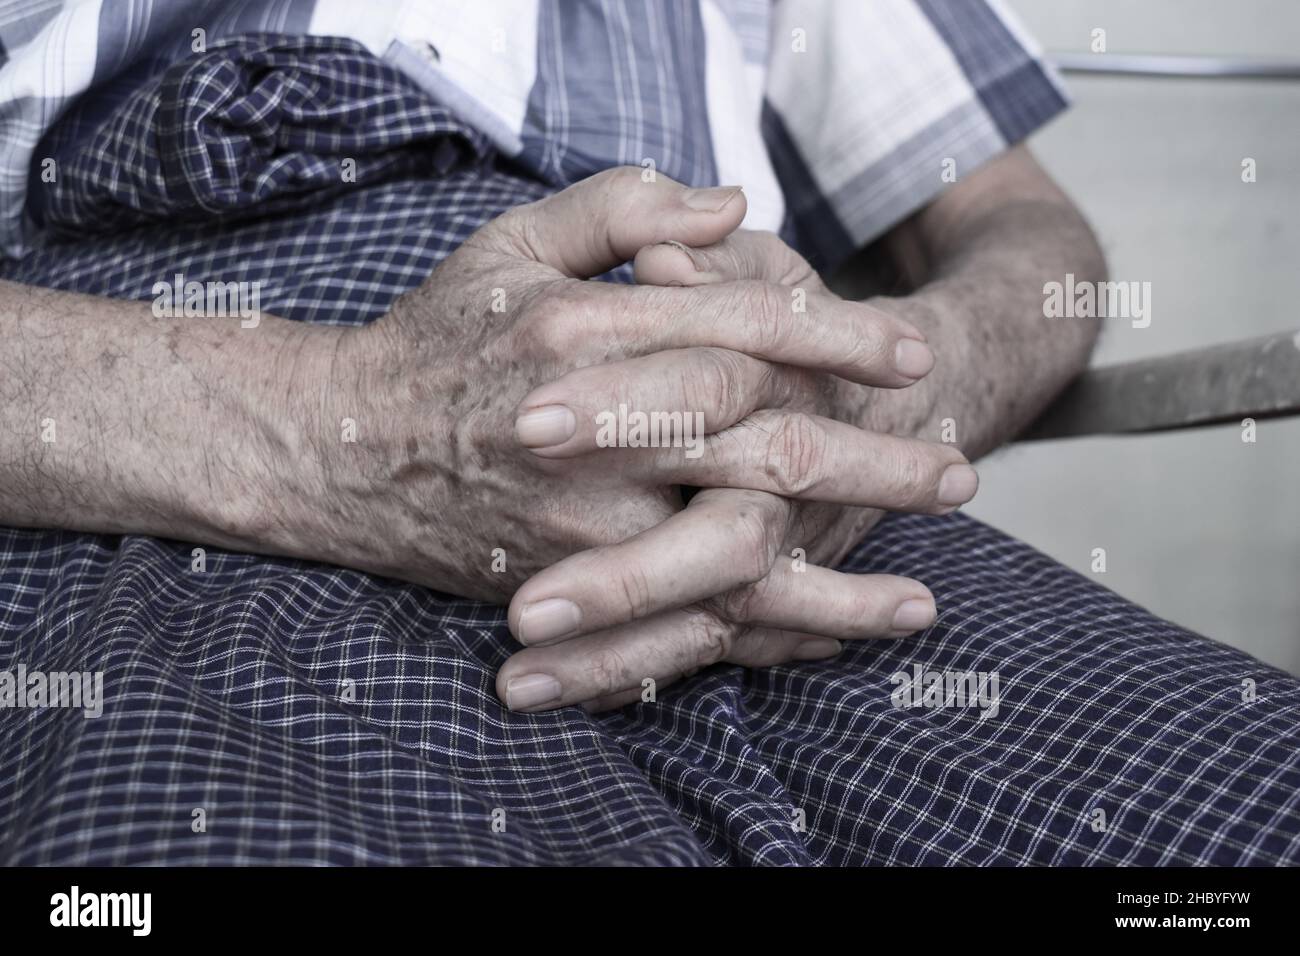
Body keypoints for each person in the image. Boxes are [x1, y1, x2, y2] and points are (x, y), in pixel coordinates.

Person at [0, 1, 1296, 866]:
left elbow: (1023, 227)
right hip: (155, 426)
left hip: (757, 469)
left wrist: (885, 387)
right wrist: (339, 433)